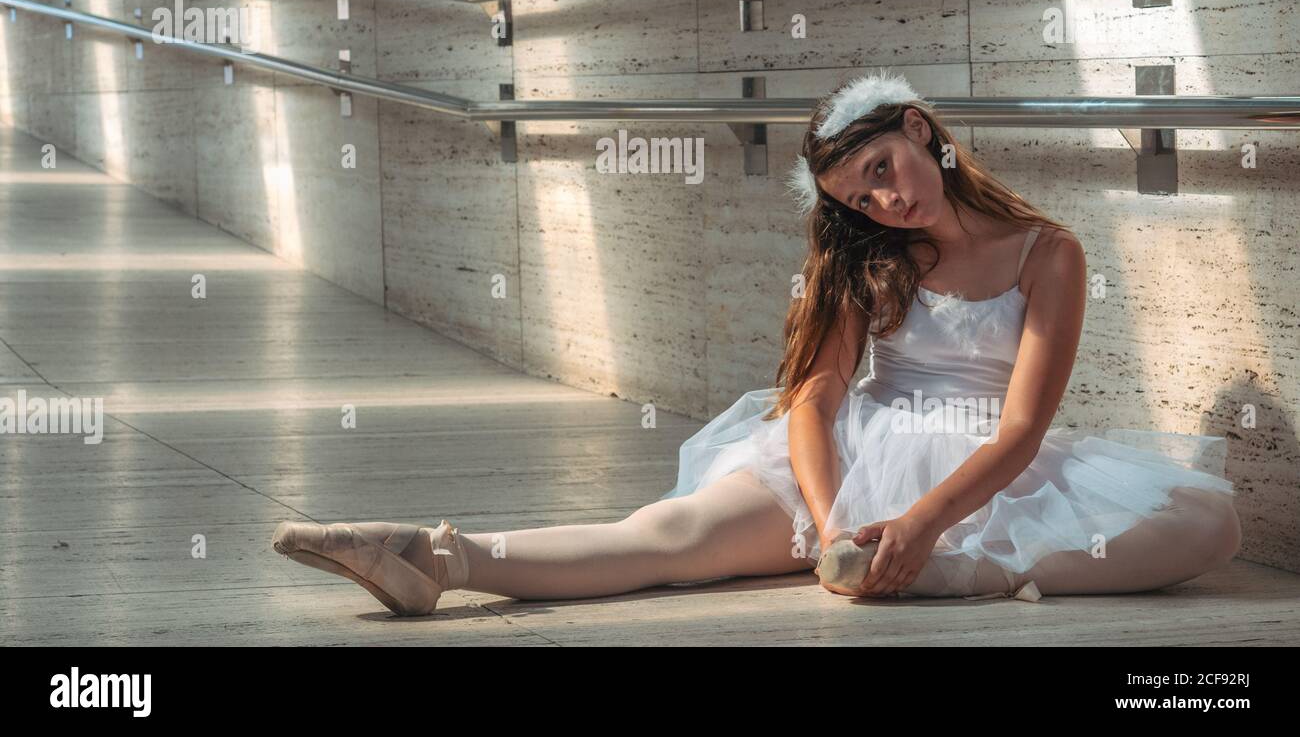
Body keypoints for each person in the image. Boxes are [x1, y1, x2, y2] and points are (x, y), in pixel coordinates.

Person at [271, 69, 1241, 614]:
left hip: (983, 467)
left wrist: (919, 525)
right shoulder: (873, 260)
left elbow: (1025, 430)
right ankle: (433, 556)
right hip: (853, 454)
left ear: (917, 128)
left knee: (1207, 524)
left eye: (884, 167)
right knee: (666, 539)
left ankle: (951, 570)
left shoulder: (1048, 254)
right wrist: (829, 522)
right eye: (864, 195)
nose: (888, 197)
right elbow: (815, 400)